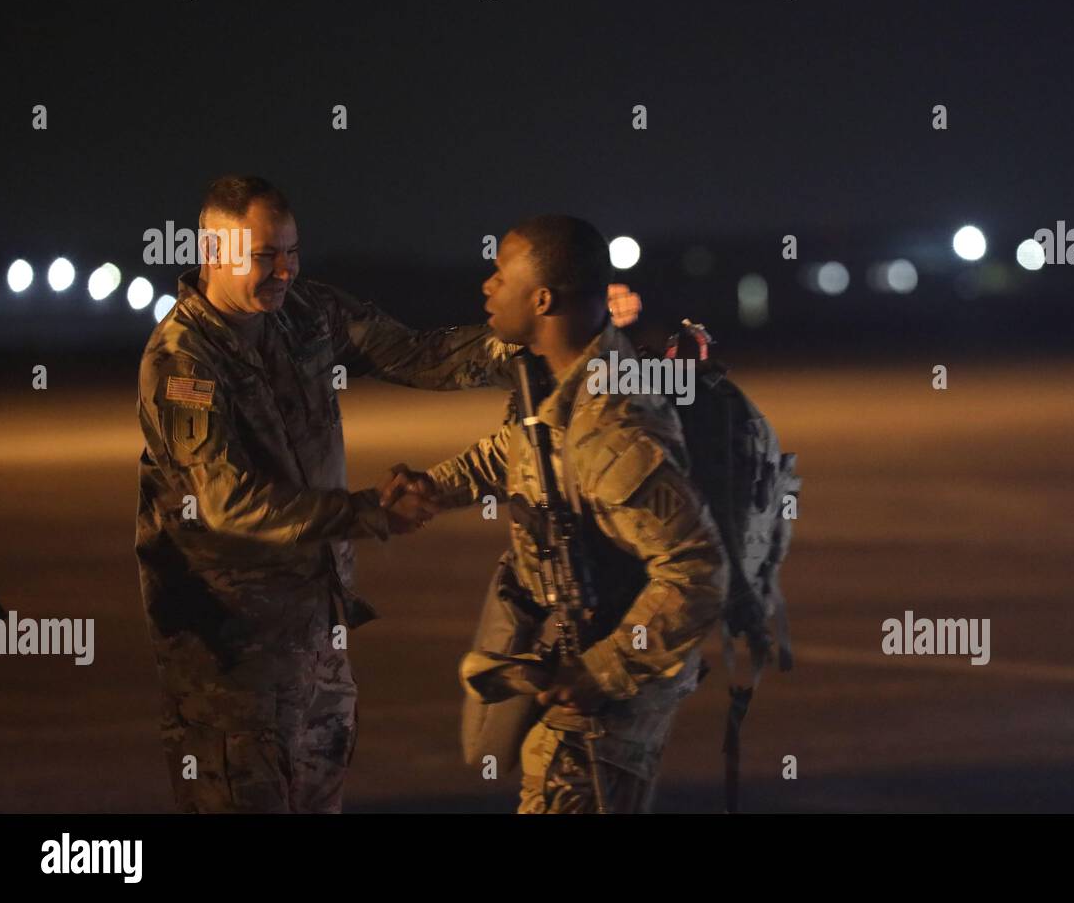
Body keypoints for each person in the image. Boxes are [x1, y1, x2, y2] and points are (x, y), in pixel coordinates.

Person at [136, 174, 515, 813]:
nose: (283, 270)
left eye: (292, 251)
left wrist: (539, 338)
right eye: (263, 256)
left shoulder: (305, 314)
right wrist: (370, 512)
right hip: (233, 661)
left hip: (317, 631)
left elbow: (419, 354)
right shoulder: (183, 363)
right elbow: (229, 505)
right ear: (212, 256)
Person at [386, 215, 728, 813]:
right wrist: (437, 486)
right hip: (578, 653)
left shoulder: (612, 426)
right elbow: (523, 451)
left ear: (542, 298)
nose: (487, 287)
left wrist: (603, 671)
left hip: (613, 686)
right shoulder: (552, 381)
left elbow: (698, 571)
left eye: (500, 275)